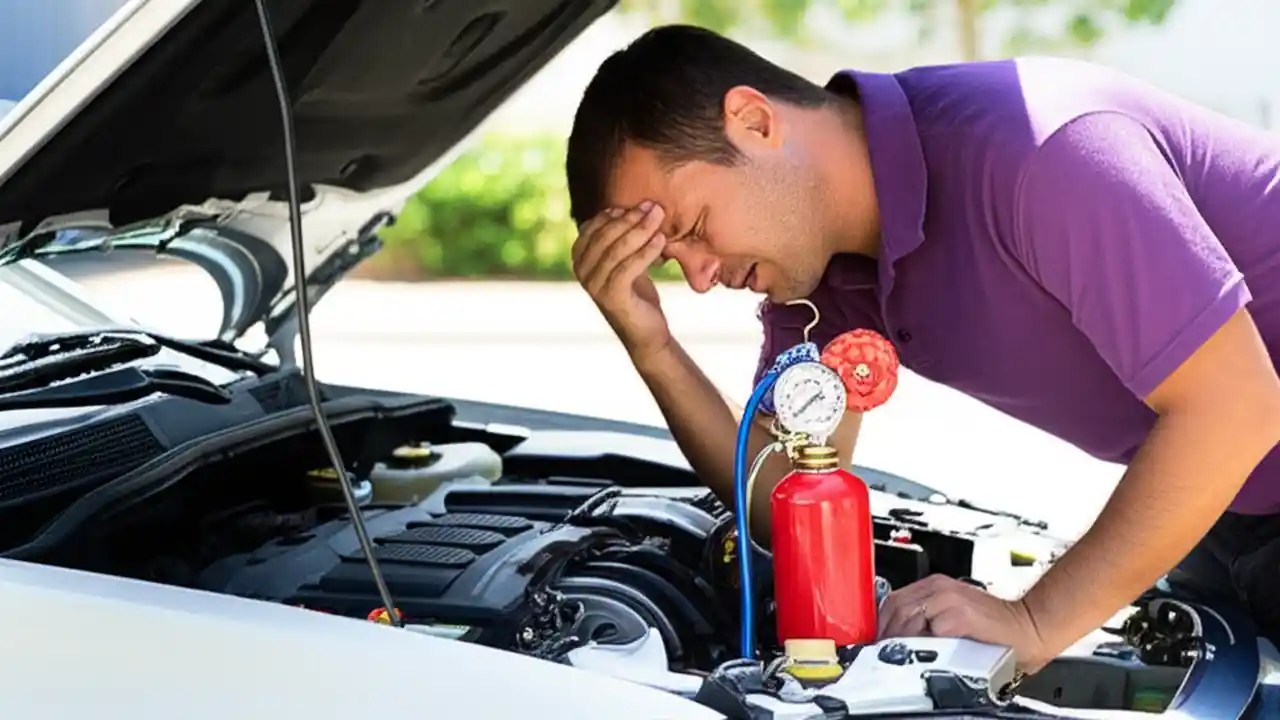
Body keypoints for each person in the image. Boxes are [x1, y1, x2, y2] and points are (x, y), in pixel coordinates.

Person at [563, 24, 1280, 672]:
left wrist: (1034, 620)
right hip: (1226, 507)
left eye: (689, 227)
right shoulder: (822, 277)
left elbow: (1237, 408)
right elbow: (783, 501)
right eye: (666, 261)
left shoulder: (1039, 154)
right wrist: (652, 346)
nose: (696, 277)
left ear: (754, 122)